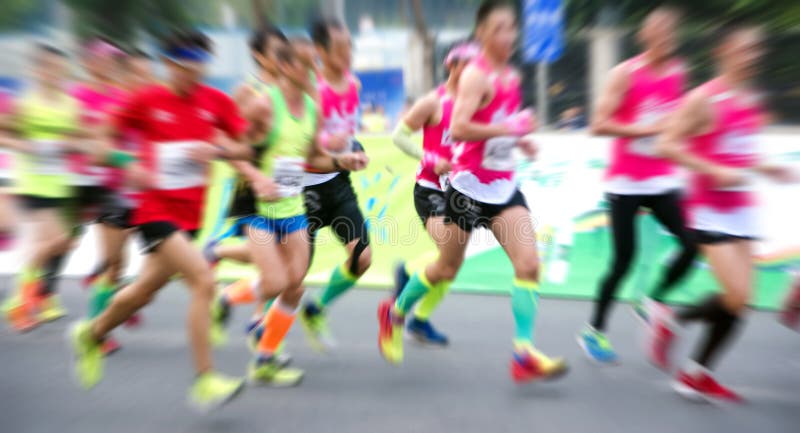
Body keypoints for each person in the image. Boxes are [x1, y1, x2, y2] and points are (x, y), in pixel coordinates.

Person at [379, 0, 568, 384]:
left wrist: (521, 143)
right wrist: (509, 131)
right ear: (481, 33)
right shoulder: (474, 77)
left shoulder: (511, 77)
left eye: (512, 28)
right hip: (467, 189)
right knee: (447, 267)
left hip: (503, 185)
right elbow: (462, 128)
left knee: (529, 264)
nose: (508, 36)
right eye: (499, 28)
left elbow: (501, 127)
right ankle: (396, 313)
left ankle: (523, 354)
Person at [66, 30, 255, 412]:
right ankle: (205, 380)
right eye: (186, 66)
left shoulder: (215, 101)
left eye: (200, 66)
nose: (194, 74)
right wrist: (127, 163)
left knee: (143, 292)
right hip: (153, 210)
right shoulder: (146, 99)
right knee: (204, 280)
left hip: (190, 217)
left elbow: (246, 146)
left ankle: (91, 333)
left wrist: (218, 149)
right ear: (168, 64)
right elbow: (98, 142)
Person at [651, 23, 792, 402]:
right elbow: (666, 144)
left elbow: (741, 152)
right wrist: (711, 169)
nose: (753, 56)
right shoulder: (704, 99)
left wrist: (767, 168)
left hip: (743, 208)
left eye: (756, 50)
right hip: (709, 210)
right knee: (737, 295)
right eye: (745, 50)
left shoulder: (751, 99)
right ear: (723, 52)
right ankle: (675, 320)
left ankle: (696, 373)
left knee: (741, 301)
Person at [240, 43, 367, 386]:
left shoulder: (313, 108)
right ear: (283, 65)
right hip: (257, 207)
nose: (312, 70)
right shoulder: (264, 104)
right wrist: (256, 177)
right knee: (278, 282)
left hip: (292, 204)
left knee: (294, 285)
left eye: (314, 63)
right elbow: (233, 148)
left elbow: (315, 158)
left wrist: (343, 161)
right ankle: (227, 297)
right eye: (304, 63)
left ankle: (265, 358)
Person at [578, 6, 698, 364]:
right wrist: (647, 130)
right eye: (658, 33)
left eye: (671, 33)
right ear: (645, 37)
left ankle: (653, 300)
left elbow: (677, 119)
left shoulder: (678, 72)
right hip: (626, 182)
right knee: (623, 262)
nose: (666, 39)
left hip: (661, 179)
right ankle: (593, 332)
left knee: (694, 241)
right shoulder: (625, 74)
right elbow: (598, 125)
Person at [0, 44, 103, 331]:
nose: (56, 74)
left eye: (60, 70)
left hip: (59, 184)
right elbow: (4, 133)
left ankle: (26, 297)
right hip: (32, 182)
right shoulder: (26, 103)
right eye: (49, 68)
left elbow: (84, 138)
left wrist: (75, 145)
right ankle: (20, 298)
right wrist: (23, 144)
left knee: (61, 242)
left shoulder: (71, 105)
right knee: (53, 241)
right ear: (37, 70)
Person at [391, 41, 479, 346]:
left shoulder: (477, 105)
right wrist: (430, 159)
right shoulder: (433, 102)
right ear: (451, 66)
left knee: (453, 265)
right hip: (429, 187)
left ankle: (420, 319)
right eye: (467, 65)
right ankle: (408, 276)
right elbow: (398, 136)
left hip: (459, 190)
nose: (473, 73)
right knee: (447, 256)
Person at [296, 18, 372, 352]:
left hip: (338, 183)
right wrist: (329, 141)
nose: (348, 54)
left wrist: (354, 150)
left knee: (363, 257)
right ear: (321, 52)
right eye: (341, 49)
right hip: (303, 188)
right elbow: (301, 145)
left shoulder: (353, 85)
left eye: (350, 46)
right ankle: (261, 333)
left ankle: (317, 308)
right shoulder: (310, 90)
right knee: (291, 276)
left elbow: (348, 135)